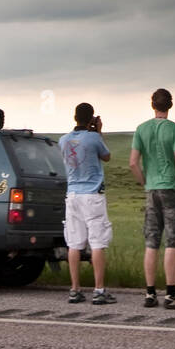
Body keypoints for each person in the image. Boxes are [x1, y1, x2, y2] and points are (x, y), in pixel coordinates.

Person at [130, 88, 175, 309]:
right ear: (170, 105)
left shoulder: (141, 129)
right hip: (172, 188)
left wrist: (145, 182)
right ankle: (171, 294)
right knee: (173, 241)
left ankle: (149, 293)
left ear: (152, 105)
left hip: (152, 189)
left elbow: (132, 163)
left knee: (152, 241)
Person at [59, 102, 115, 305]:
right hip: (92, 195)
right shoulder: (93, 138)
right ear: (92, 118)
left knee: (74, 243)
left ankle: (75, 289)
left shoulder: (63, 140)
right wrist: (99, 132)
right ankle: (99, 290)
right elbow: (106, 156)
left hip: (72, 194)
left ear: (75, 117)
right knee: (97, 242)